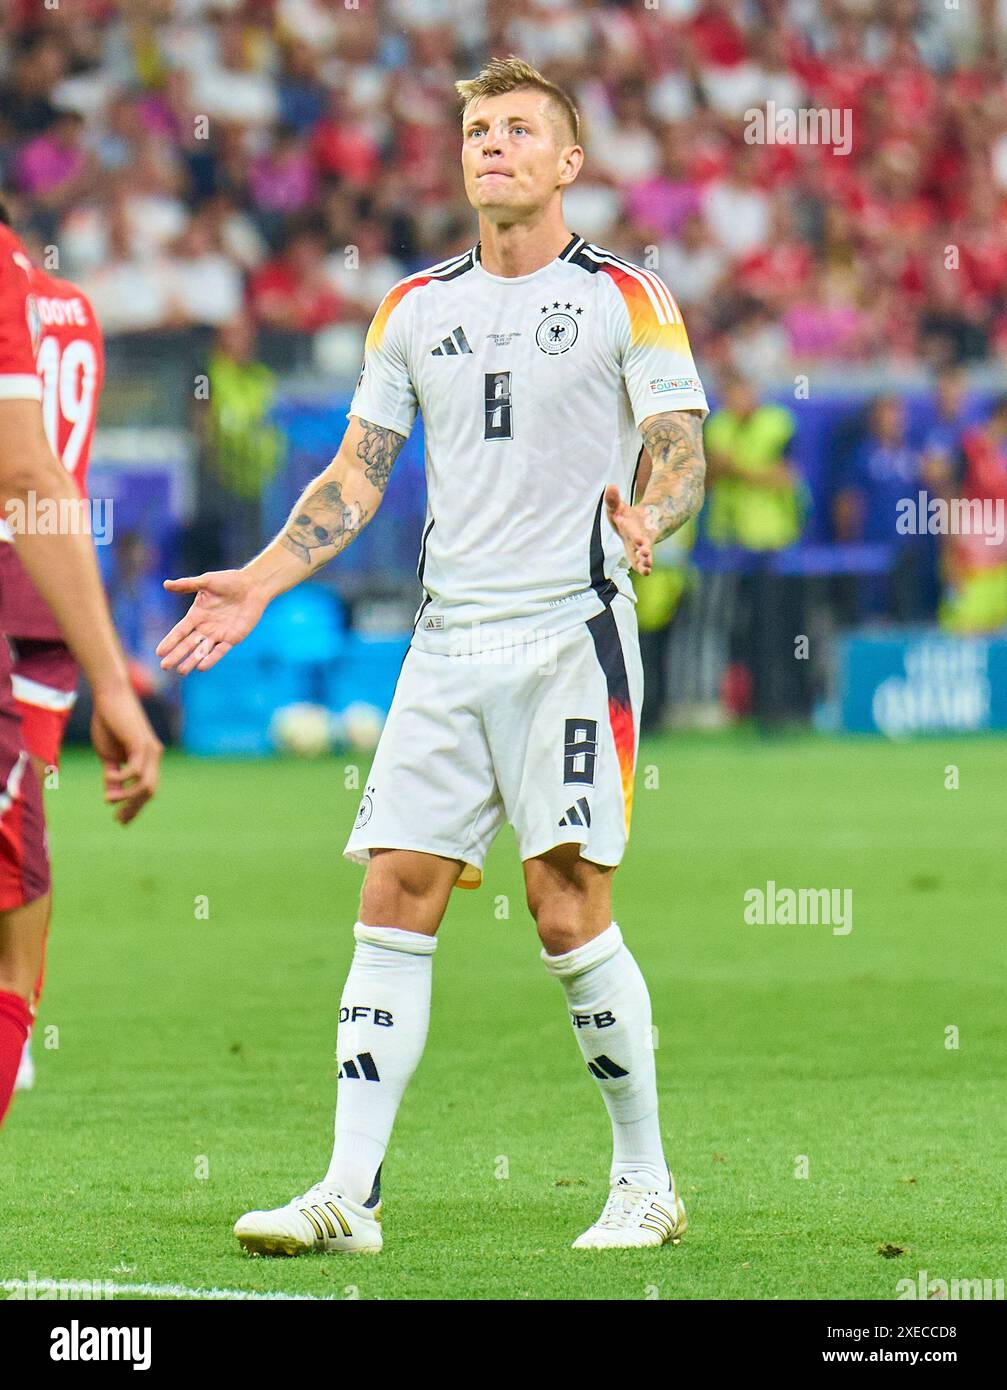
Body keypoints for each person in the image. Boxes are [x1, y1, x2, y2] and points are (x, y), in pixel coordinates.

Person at [158, 57, 708, 1253]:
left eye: (516, 130)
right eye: (474, 129)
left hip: (572, 633)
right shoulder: (414, 307)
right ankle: (346, 1193)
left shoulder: (626, 295)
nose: (490, 146)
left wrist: (651, 514)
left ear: (569, 162)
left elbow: (676, 442)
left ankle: (644, 1180)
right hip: (446, 642)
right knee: (391, 895)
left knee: (563, 907)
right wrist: (258, 576)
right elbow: (357, 472)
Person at [0, 205, 162, 1130]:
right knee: (23, 809)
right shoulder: (77, 308)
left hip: (14, 545)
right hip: (56, 578)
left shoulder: (14, 290)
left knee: (13, 814)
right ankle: (23, 1014)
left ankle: (13, 1021)